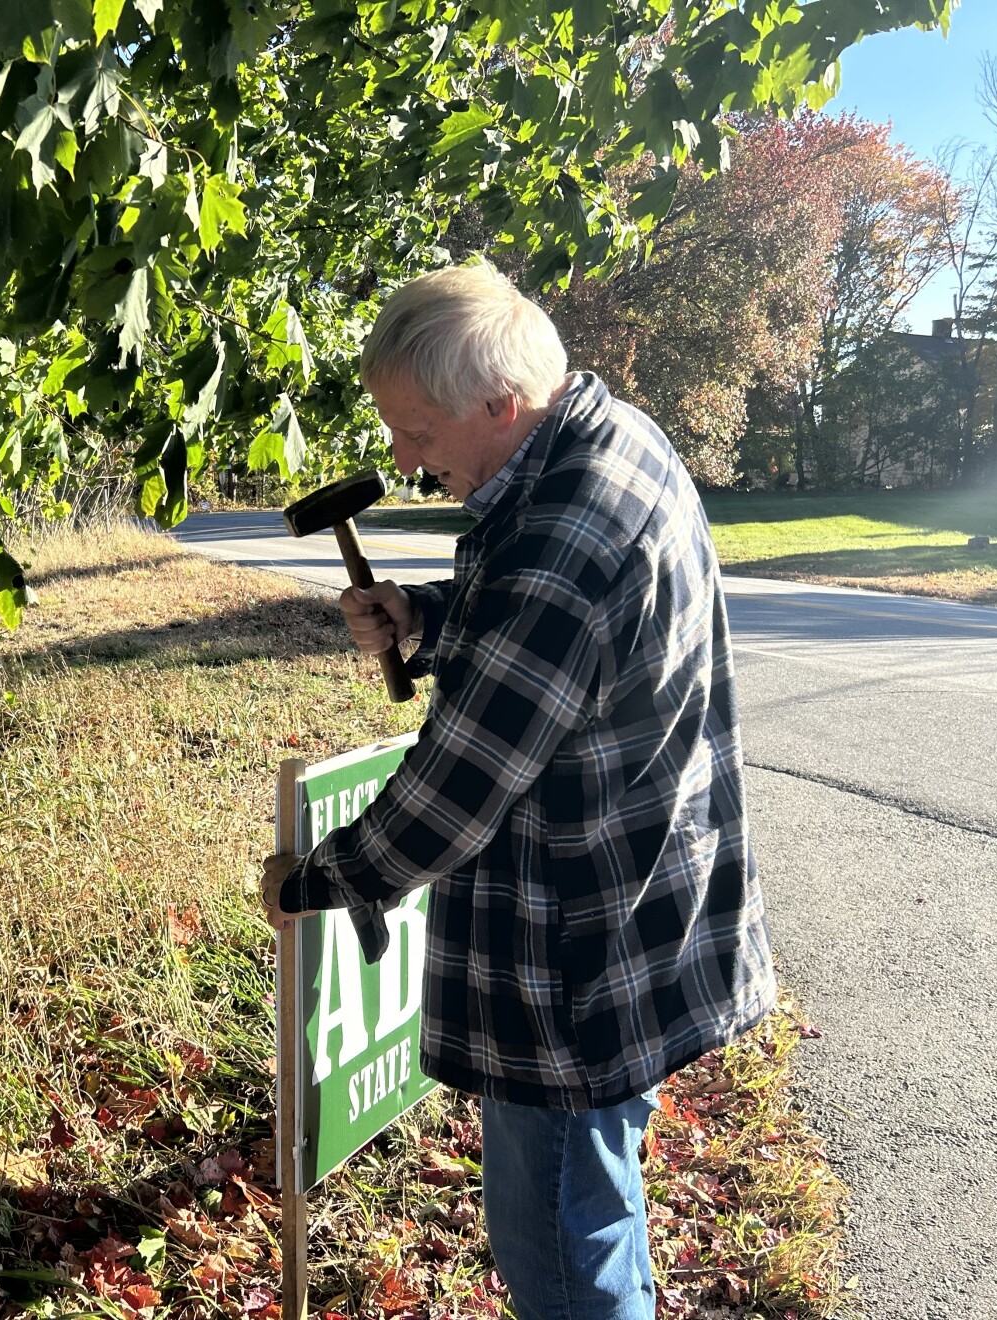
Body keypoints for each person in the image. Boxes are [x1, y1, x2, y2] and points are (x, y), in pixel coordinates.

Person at [259, 263, 775, 1320]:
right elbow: (560, 630)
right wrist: (425, 612)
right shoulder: (605, 439)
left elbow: (459, 787)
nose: (405, 460)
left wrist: (318, 880)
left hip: (576, 963)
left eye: (417, 430)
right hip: (642, 917)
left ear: (500, 402)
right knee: (595, 1205)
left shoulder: (564, 529)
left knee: (559, 1249)